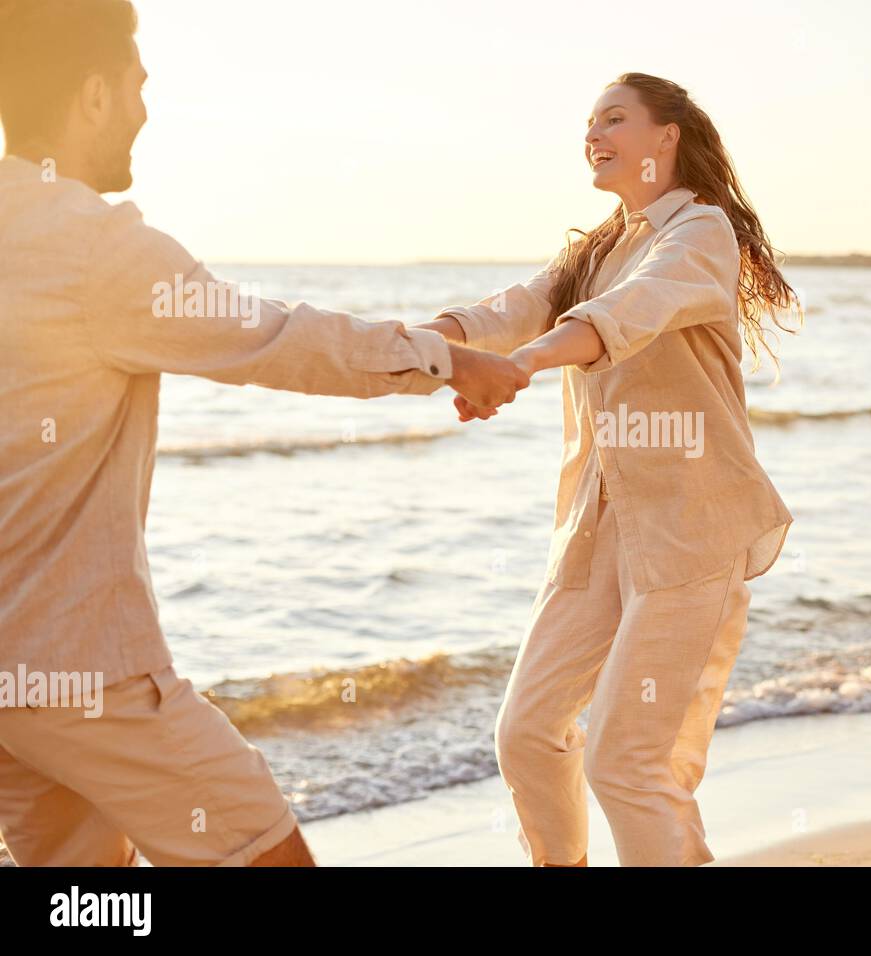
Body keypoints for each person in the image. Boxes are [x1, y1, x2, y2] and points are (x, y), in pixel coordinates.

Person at [0, 0, 527, 866]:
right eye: (135, 88)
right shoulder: (96, 248)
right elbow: (277, 340)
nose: (142, 110)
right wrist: (444, 360)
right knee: (263, 856)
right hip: (85, 673)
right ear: (93, 96)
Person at [421, 72, 801, 866]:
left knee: (628, 763)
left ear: (666, 136)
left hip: (693, 528)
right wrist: (423, 342)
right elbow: (511, 307)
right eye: (589, 122)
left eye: (615, 119)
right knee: (527, 733)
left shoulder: (700, 232)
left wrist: (520, 365)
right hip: (596, 527)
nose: (594, 134)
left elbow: (622, 317)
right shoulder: (594, 248)